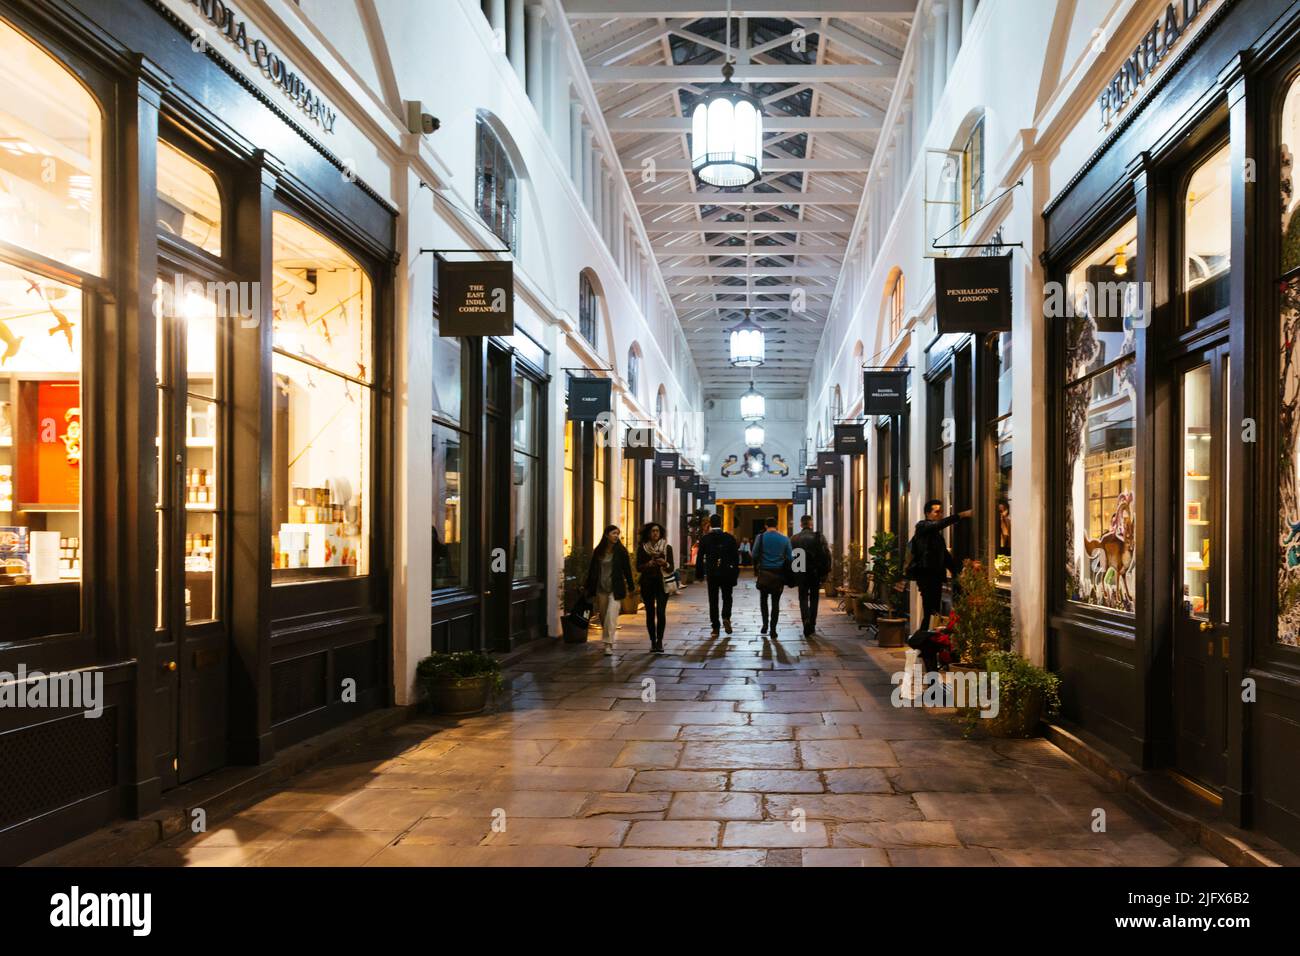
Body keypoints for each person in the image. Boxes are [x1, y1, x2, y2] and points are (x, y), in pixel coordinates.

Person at [907, 499, 971, 646]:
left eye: (941, 512)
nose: (940, 514)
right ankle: (920, 642)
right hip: (926, 577)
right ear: (928, 513)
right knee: (930, 611)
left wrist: (956, 573)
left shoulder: (937, 537)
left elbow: (946, 557)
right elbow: (937, 525)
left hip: (935, 578)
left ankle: (926, 643)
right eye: (936, 511)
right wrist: (960, 515)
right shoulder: (922, 526)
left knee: (933, 613)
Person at [585, 525, 635, 656]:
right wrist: (587, 588)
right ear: (607, 535)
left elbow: (627, 570)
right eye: (614, 533)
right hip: (601, 589)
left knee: (611, 616)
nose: (616, 536)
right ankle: (607, 640)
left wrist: (631, 586)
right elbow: (592, 571)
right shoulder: (598, 551)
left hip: (615, 589)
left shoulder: (621, 551)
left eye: (618, 534)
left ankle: (608, 644)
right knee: (603, 616)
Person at [695, 511, 739, 638]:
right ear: (721, 523)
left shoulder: (705, 539)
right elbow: (735, 559)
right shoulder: (729, 538)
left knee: (713, 600)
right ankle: (726, 616)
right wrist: (735, 574)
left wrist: (699, 574)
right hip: (726, 572)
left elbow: (699, 558)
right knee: (727, 597)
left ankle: (715, 627)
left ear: (710, 524)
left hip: (712, 573)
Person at [790, 514, 832, 637]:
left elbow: (790, 557)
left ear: (801, 524)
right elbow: (827, 555)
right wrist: (826, 571)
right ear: (811, 524)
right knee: (814, 597)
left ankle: (805, 621)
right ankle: (812, 623)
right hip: (814, 572)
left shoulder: (794, 538)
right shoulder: (818, 537)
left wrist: (792, 575)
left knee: (802, 597)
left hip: (800, 572)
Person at [636, 522, 675, 653]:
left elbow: (671, 568)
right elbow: (638, 567)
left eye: (657, 531)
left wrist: (664, 563)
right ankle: (652, 640)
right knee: (650, 613)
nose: (655, 533)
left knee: (661, 612)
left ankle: (660, 641)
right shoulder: (642, 548)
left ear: (660, 533)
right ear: (648, 533)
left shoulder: (666, 548)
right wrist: (649, 564)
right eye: (653, 531)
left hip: (662, 583)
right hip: (647, 583)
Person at [752, 517, 792, 638]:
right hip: (778, 574)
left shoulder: (761, 537)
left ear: (765, 525)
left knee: (763, 600)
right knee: (776, 602)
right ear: (777, 525)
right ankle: (773, 629)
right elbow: (790, 558)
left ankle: (765, 625)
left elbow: (754, 554)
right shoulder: (785, 539)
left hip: (764, 573)